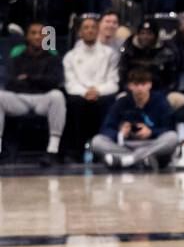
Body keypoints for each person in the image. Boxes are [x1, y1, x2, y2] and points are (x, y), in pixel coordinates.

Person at [0, 21, 65, 164]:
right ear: (27, 37)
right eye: (33, 33)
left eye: (41, 34)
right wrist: (39, 82)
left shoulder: (53, 57)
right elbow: (10, 82)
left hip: (43, 100)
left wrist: (28, 78)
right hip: (20, 100)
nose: (37, 37)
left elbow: (55, 82)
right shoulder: (17, 57)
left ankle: (52, 150)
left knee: (57, 96)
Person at [92, 65, 178, 169]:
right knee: (97, 141)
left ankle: (125, 160)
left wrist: (151, 132)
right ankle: (142, 160)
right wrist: (121, 133)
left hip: (151, 143)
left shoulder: (160, 101)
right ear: (130, 86)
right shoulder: (122, 102)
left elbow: (169, 127)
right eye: (136, 84)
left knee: (172, 137)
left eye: (143, 84)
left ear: (149, 85)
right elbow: (106, 128)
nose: (139, 88)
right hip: (127, 144)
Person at [63, 14, 120, 160]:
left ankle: (101, 150)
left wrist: (98, 91)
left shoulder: (110, 54)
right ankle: (75, 151)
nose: (89, 31)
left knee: (106, 102)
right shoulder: (70, 56)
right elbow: (70, 83)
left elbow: (114, 81)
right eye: (86, 28)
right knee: (74, 102)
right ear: (80, 32)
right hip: (79, 94)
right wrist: (85, 92)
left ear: (98, 30)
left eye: (93, 27)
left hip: (102, 93)